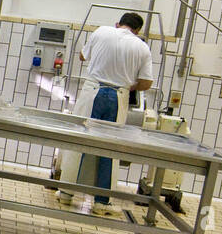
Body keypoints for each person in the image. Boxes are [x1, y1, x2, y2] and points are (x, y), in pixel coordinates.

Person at [56, 12, 154, 216]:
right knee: (109, 150)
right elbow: (146, 83)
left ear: (118, 24)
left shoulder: (102, 31)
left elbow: (83, 55)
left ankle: (65, 193)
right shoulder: (142, 47)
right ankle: (101, 203)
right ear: (137, 31)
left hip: (92, 91)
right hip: (118, 97)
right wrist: (129, 84)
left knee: (79, 141)